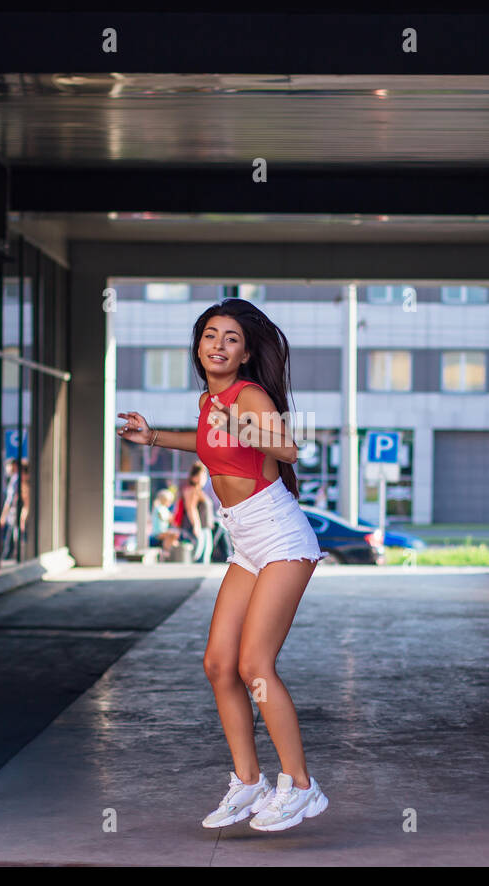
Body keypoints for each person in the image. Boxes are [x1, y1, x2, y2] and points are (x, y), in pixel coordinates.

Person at [117, 298, 330, 832]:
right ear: (198, 347)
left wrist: (239, 418)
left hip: (280, 537)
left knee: (254, 665)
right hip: (246, 542)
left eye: (230, 338)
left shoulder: (248, 395)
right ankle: (248, 781)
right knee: (218, 664)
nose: (218, 345)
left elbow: (287, 449)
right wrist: (154, 437)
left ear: (245, 352)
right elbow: (212, 447)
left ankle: (302, 787)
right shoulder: (211, 401)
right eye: (210, 335)